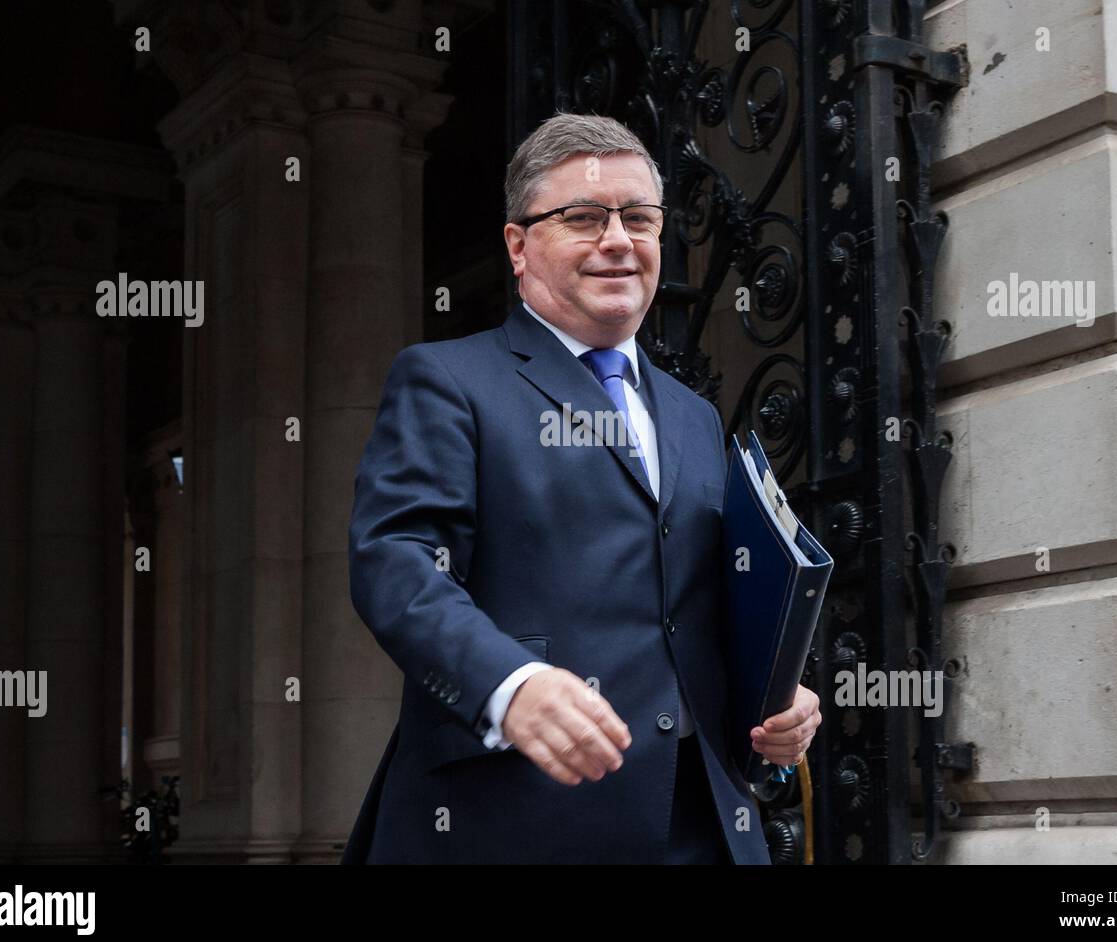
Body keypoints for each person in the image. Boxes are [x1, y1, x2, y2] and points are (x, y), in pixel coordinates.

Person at [340, 111, 821, 864]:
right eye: (584, 217)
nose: (619, 239)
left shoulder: (694, 415)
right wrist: (509, 682)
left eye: (639, 218)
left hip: (705, 824)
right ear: (518, 246)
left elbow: (701, 604)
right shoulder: (447, 380)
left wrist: (776, 696)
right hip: (515, 821)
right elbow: (394, 560)